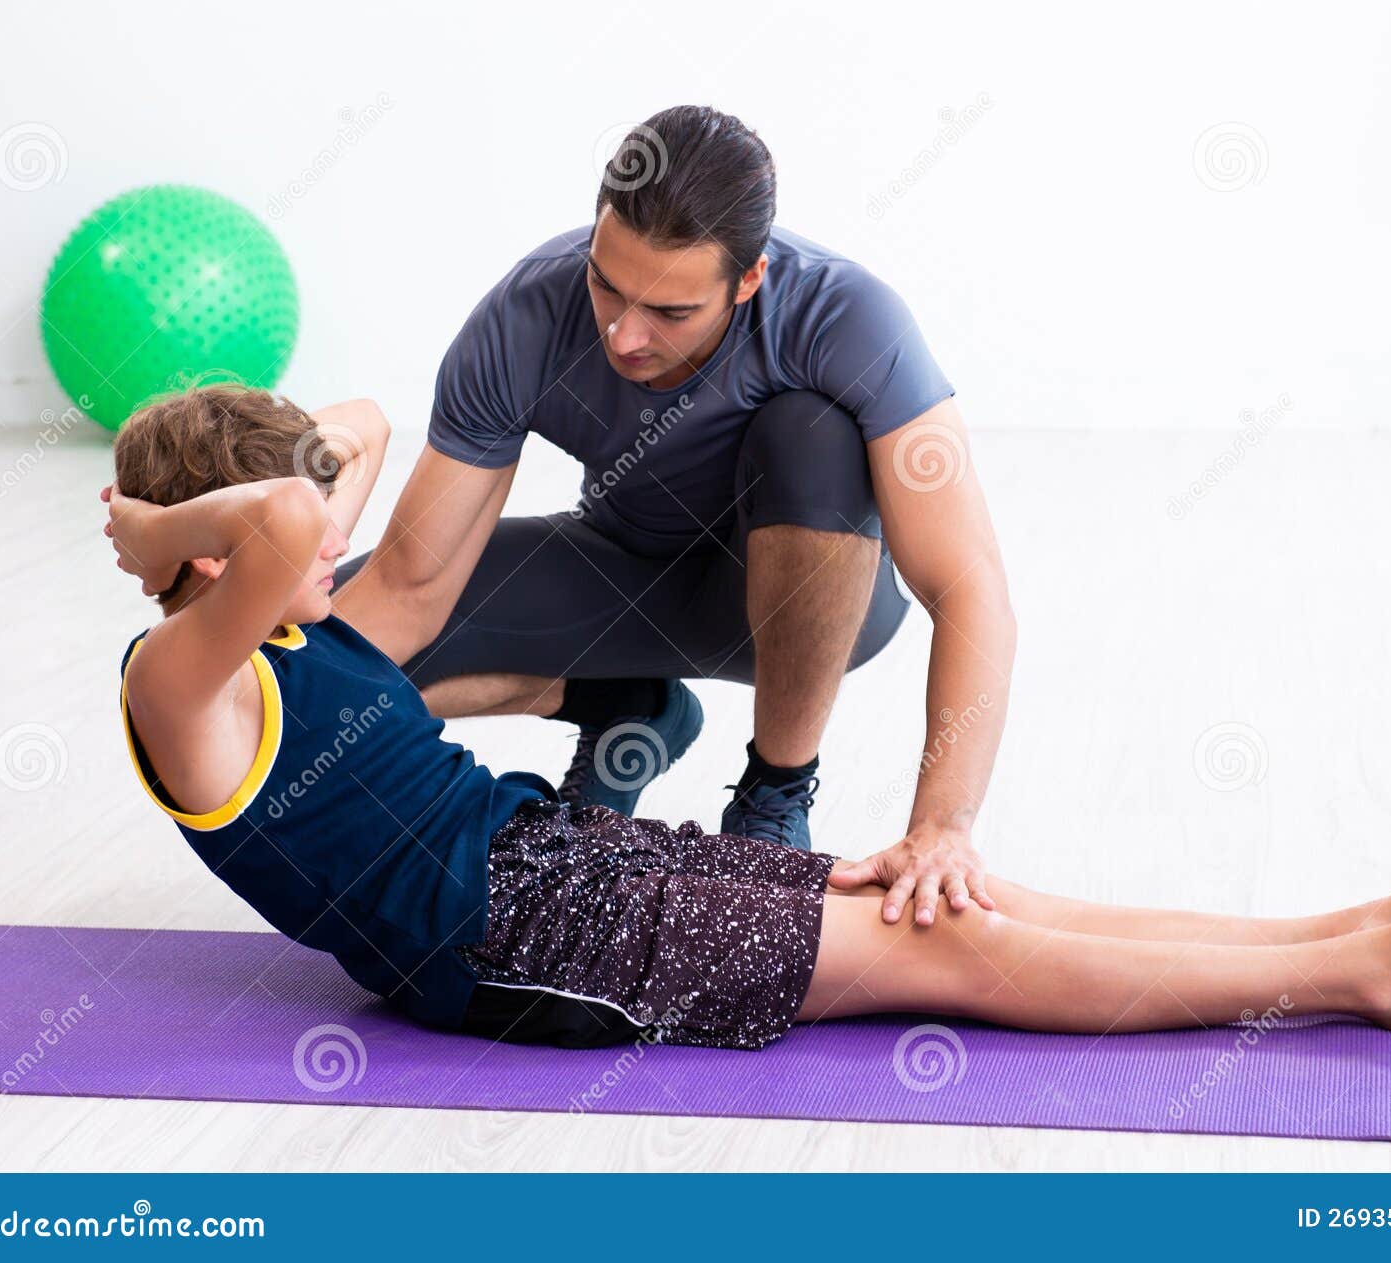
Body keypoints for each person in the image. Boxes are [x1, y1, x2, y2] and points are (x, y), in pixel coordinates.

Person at [105, 386, 1391, 1051]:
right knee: (953, 950)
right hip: (513, 949)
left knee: (952, 883)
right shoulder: (184, 684)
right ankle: (1370, 982)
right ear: (216, 558)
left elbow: (346, 432)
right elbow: (301, 500)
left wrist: (228, 508)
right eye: (285, 534)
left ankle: (1355, 929)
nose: (332, 534)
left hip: (560, 861)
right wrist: (175, 521)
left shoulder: (312, 621)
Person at [333, 105, 1015, 933]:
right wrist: (255, 694)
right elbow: (410, 580)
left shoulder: (846, 315)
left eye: (669, 312)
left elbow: (969, 589)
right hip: (623, 569)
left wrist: (942, 830)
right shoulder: (524, 315)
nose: (624, 336)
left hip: (815, 600)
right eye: (607, 287)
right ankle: (631, 705)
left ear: (750, 278)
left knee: (813, 434)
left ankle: (776, 788)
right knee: (340, 653)